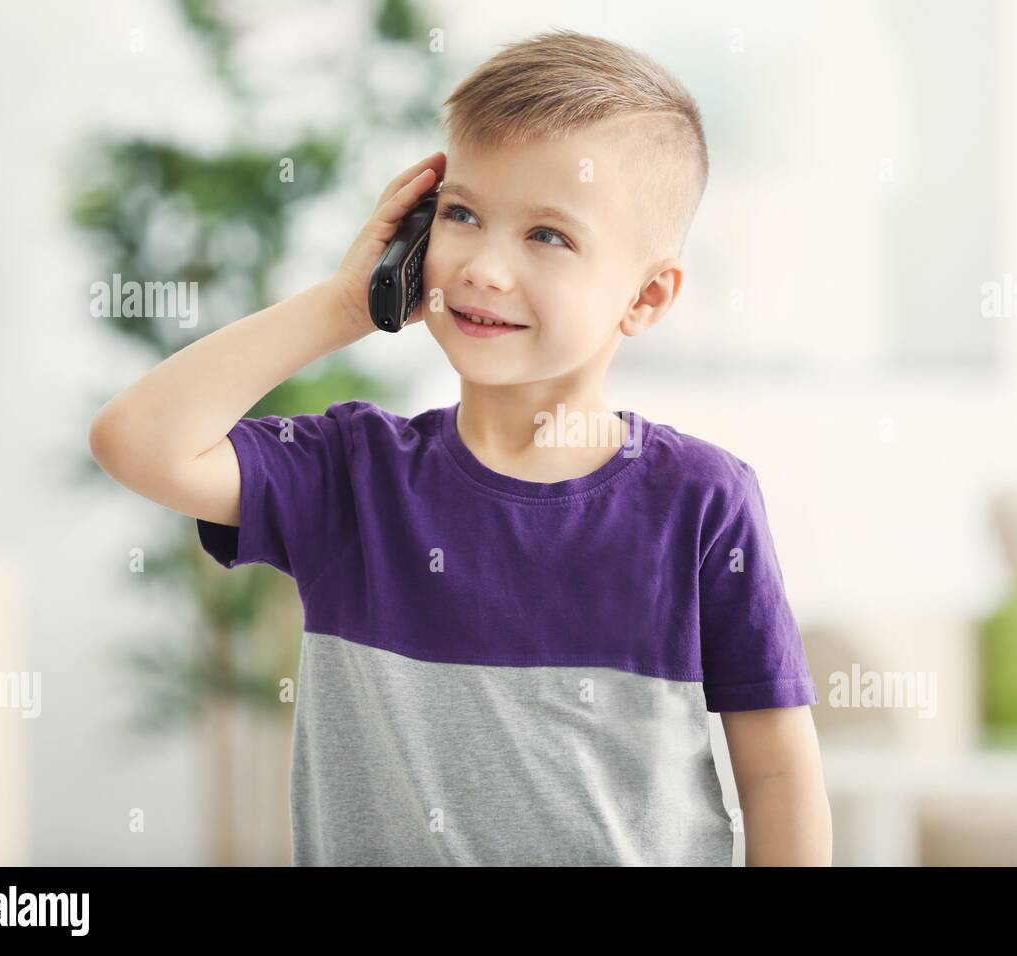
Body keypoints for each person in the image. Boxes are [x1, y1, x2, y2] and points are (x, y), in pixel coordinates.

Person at [89, 28, 830, 866]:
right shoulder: (350, 474)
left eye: (547, 235)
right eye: (463, 215)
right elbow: (137, 440)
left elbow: (776, 774)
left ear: (647, 295)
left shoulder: (702, 500)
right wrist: (342, 307)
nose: (482, 266)